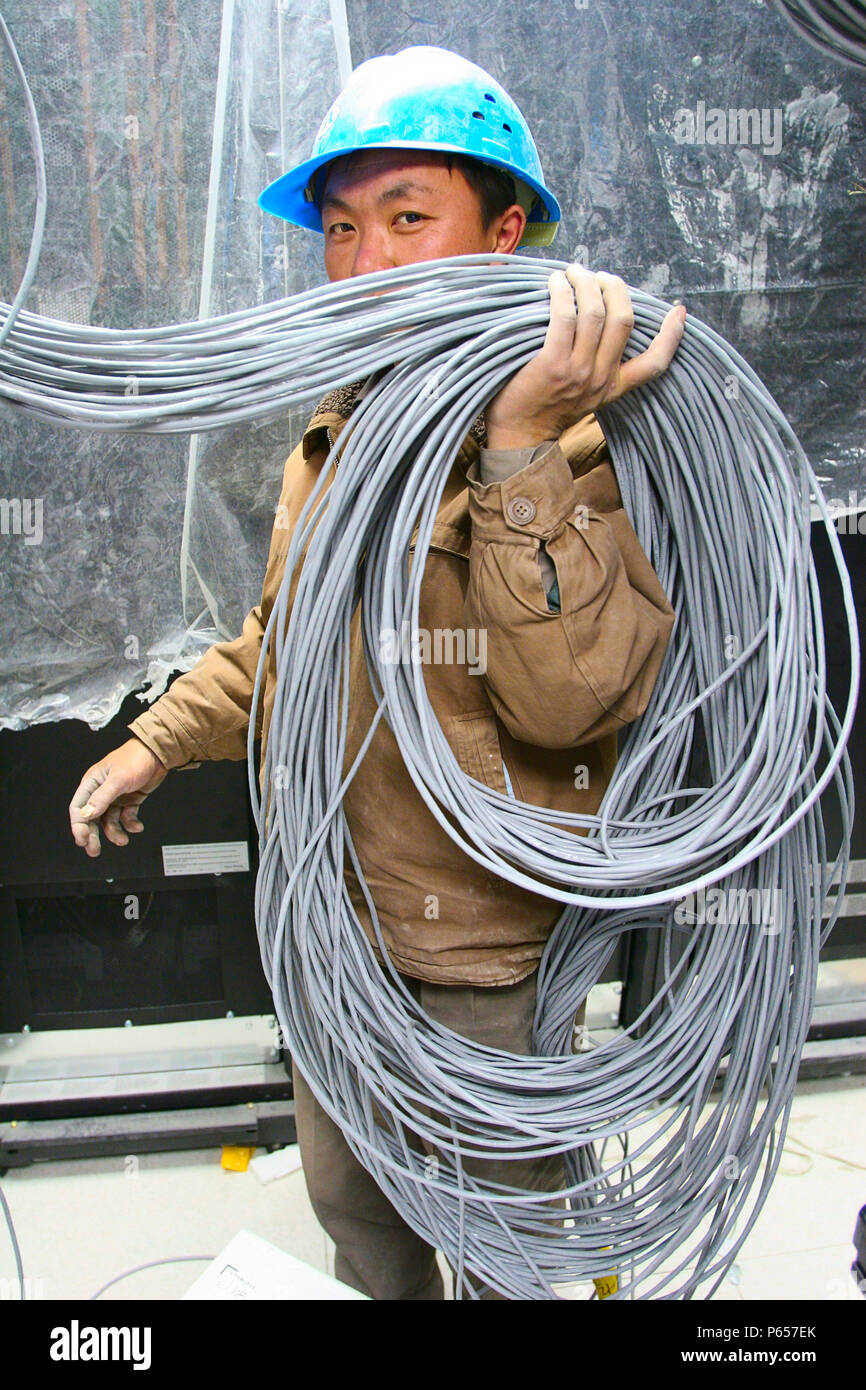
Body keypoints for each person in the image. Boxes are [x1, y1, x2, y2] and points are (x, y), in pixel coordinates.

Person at [68, 47, 683, 1299]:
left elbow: (570, 703)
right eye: (342, 229)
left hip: (476, 955)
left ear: (503, 232)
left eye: (410, 219)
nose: (365, 261)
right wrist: (160, 737)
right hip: (332, 927)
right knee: (362, 1219)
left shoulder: (578, 441)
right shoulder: (344, 427)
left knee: (506, 1240)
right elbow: (287, 643)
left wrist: (514, 449)